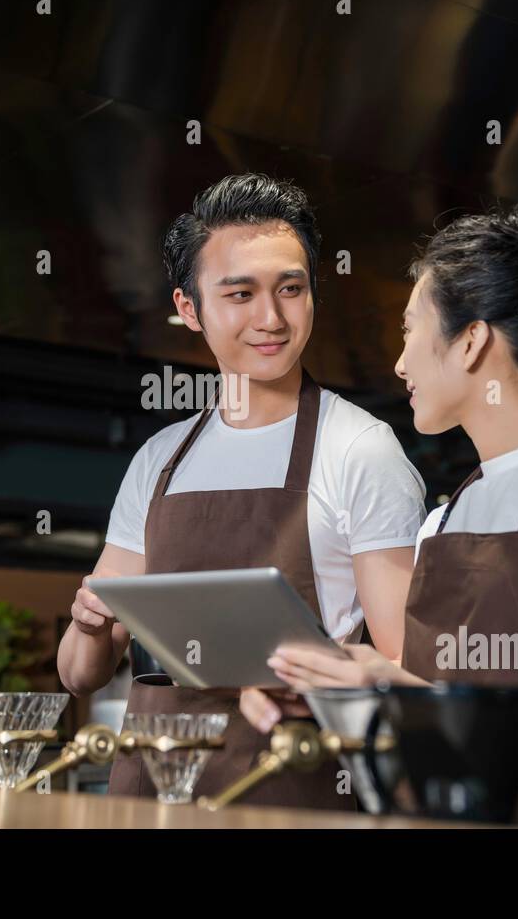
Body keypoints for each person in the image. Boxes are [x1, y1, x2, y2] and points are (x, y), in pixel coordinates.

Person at [253, 189, 518, 828]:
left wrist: (399, 689)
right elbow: (422, 700)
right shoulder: (444, 520)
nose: (399, 363)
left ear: (471, 343)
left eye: (409, 330)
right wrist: (328, 688)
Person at [56, 172, 426, 808]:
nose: (271, 318)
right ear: (190, 308)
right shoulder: (160, 459)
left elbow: (405, 672)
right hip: (153, 788)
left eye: (291, 289)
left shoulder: (360, 449)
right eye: (241, 294)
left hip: (292, 782)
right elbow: (79, 674)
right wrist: (90, 627)